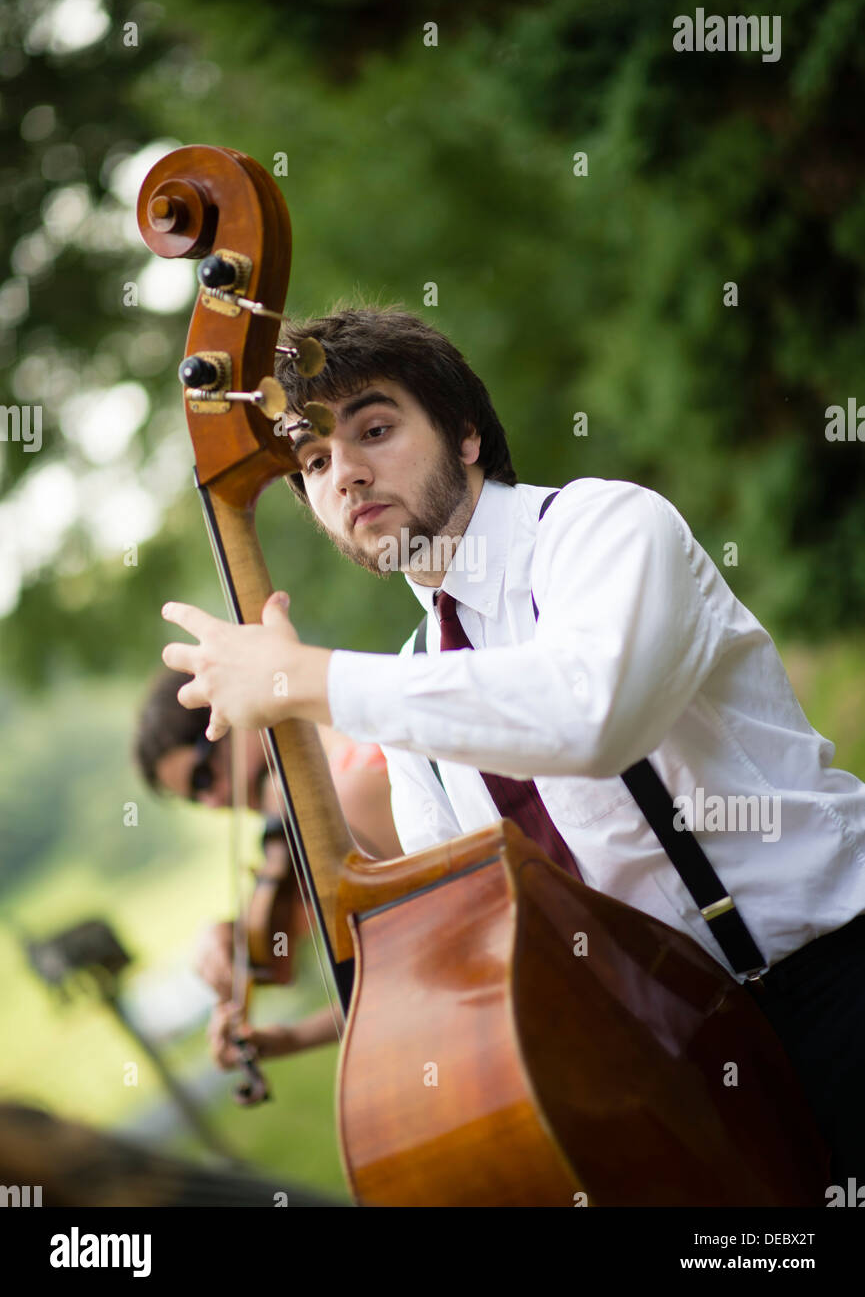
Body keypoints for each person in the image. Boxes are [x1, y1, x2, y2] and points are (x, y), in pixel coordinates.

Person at [160, 304, 865, 1189]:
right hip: (680, 1067)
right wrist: (321, 1024)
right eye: (311, 462)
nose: (344, 473)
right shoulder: (416, 683)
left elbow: (588, 714)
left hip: (833, 980)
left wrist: (307, 680)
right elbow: (484, 946)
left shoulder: (603, 530)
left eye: (373, 429)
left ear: (463, 435)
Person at [134, 669, 400, 1070]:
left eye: (205, 776)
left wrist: (292, 1035)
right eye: (196, 800)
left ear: (227, 712)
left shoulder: (348, 794)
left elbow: (413, 977)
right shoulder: (318, 808)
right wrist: (229, 935)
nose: (215, 803)